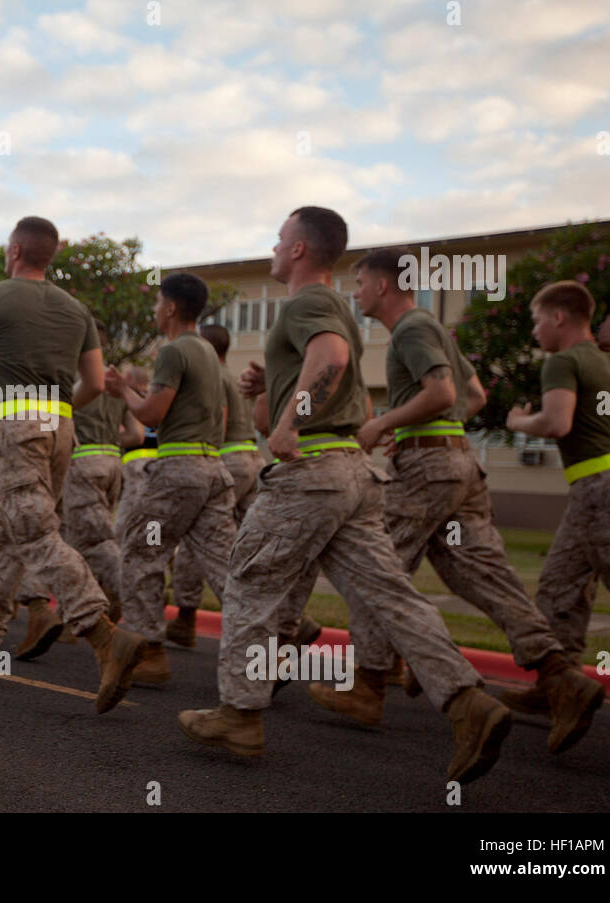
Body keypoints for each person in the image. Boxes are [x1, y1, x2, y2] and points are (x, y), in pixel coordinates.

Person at [178, 207, 511, 785]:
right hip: (351, 474)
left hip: (311, 472)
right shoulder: (327, 310)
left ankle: (240, 713)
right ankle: (466, 700)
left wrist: (288, 424)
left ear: (301, 249)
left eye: (281, 239)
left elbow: (327, 362)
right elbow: (295, 393)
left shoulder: (310, 302)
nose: (274, 247)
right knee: (388, 594)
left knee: (250, 582)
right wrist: (267, 395)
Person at [302, 251, 605, 754]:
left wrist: (383, 424)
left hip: (426, 470)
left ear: (381, 285)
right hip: (459, 465)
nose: (355, 294)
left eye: (359, 284)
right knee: (482, 574)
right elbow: (475, 396)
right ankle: (562, 677)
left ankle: (369, 683)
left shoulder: (411, 329)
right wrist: (421, 425)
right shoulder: (432, 328)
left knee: (375, 567)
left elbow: (443, 393)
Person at [0, 215, 147, 714]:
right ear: (50, 255)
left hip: (15, 424)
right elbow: (92, 383)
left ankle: (103, 633)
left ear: (14, 250)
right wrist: (54, 407)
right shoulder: (76, 310)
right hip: (62, 425)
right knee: (10, 534)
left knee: (36, 533)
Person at [503, 280, 610, 722]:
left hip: (601, 491)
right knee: (558, 590)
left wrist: (518, 421)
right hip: (603, 487)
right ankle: (557, 687)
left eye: (536, 321)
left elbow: (555, 423)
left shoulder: (563, 363)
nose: (535, 333)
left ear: (558, 317)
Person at [105, 273, 236, 685]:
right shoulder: (209, 355)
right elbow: (224, 417)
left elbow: (151, 415)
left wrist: (121, 390)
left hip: (178, 470)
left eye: (157, 302)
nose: (154, 310)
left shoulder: (174, 350)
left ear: (172, 308)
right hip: (213, 467)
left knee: (141, 552)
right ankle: (270, 643)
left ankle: (150, 651)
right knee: (224, 566)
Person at [168, 323, 263, 648]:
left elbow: (217, 424)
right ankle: (276, 617)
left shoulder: (212, 377)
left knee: (198, 539)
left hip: (227, 458)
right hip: (250, 457)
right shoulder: (233, 377)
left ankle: (186, 616)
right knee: (236, 540)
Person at [59, 319, 141, 630]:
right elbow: (135, 434)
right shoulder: (116, 382)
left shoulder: (72, 379)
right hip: (112, 464)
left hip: (82, 463)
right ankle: (78, 612)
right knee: (81, 536)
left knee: (94, 542)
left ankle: (133, 596)